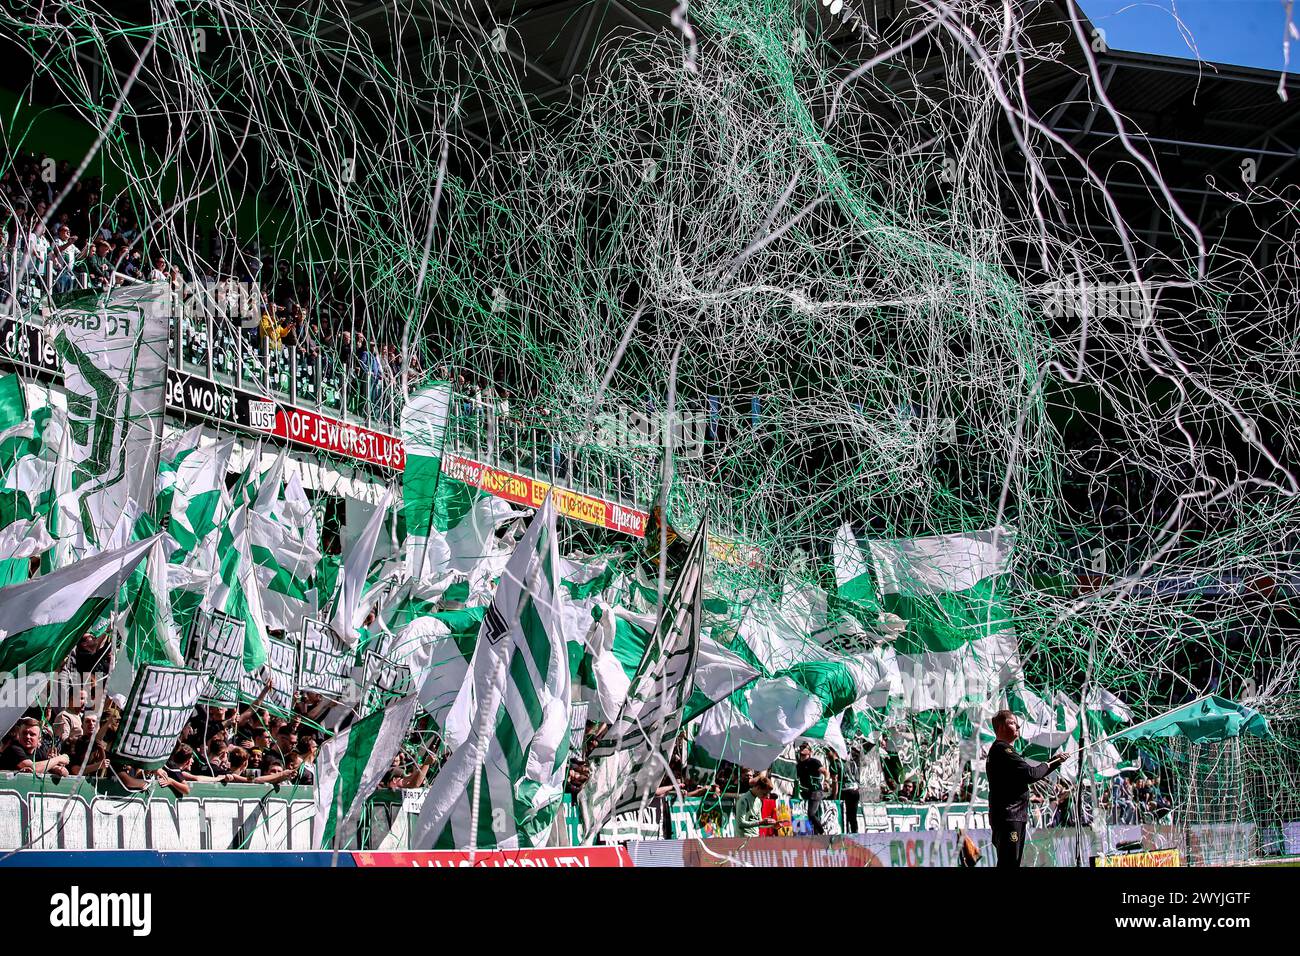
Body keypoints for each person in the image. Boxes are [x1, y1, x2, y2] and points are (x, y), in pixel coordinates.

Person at [985, 710, 1069, 868]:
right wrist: (1054, 762)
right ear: (1001, 727)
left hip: (1011, 816)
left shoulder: (1001, 751)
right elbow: (1031, 774)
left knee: (1011, 862)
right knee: (1009, 863)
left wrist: (1054, 762)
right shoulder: (1003, 751)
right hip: (1010, 817)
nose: (1017, 726)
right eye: (1012, 722)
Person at [796, 742, 829, 835]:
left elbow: (825, 772)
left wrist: (826, 781)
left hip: (816, 791)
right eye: (801, 746)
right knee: (802, 813)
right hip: (805, 792)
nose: (802, 748)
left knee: (811, 814)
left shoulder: (814, 762)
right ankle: (813, 834)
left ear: (810, 751)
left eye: (805, 747)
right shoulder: (798, 765)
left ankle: (823, 833)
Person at [733, 772, 777, 838]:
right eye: (764, 793)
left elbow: (759, 823)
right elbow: (740, 824)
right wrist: (760, 823)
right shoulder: (743, 800)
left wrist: (773, 825)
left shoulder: (758, 801)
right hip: (743, 840)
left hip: (755, 838)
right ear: (758, 788)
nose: (767, 797)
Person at [842, 742, 864, 833]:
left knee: (847, 814)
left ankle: (849, 831)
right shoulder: (853, 764)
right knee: (852, 815)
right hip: (854, 790)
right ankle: (855, 832)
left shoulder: (843, 763)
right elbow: (858, 779)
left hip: (847, 790)